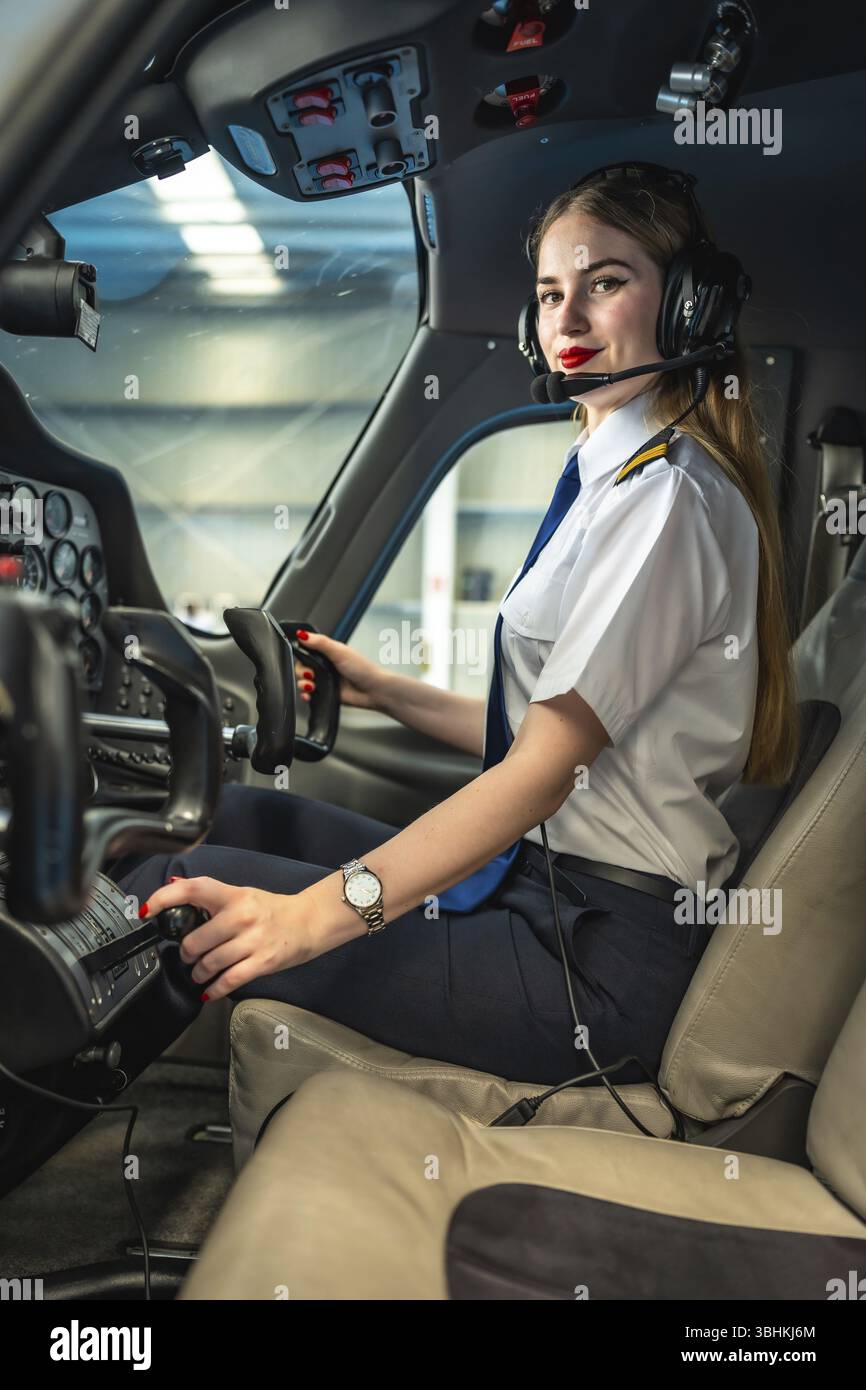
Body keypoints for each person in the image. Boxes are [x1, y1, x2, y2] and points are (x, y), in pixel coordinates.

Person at [117, 163, 797, 1087]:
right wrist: (384, 690)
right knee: (227, 816)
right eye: (552, 293)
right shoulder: (620, 481)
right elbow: (554, 720)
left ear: (686, 307)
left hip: (594, 967)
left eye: (605, 283)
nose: (568, 321)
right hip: (546, 895)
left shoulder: (667, 500)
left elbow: (543, 772)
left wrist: (309, 918)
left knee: (176, 892)